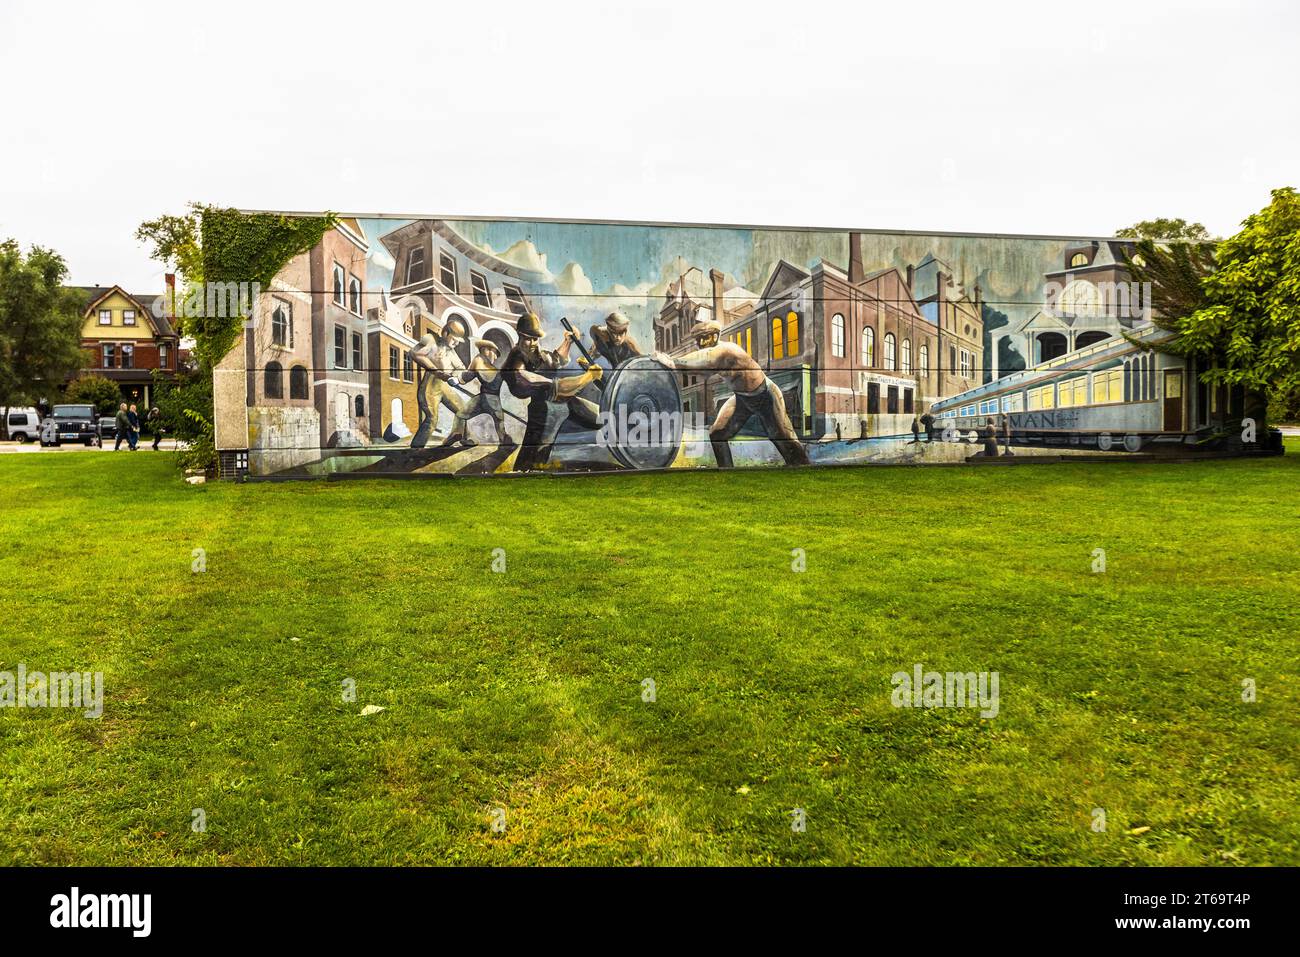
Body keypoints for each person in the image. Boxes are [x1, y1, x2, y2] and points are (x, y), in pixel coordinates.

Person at [655, 319, 809, 468]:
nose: (700, 343)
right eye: (698, 339)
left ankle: (803, 466)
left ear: (715, 337)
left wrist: (672, 361)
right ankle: (726, 470)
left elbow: (707, 358)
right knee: (717, 434)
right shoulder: (713, 353)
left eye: (704, 338)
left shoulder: (726, 349)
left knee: (782, 436)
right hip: (742, 398)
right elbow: (701, 367)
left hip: (765, 394)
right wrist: (674, 364)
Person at [502, 312, 605, 471]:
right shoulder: (517, 358)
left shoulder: (537, 354)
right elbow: (556, 387)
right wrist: (588, 377)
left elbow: (555, 360)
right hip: (544, 410)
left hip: (564, 403)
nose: (532, 343)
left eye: (535, 338)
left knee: (602, 419)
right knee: (533, 458)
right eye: (528, 338)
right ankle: (523, 476)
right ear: (520, 337)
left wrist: (567, 342)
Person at [409, 317, 469, 448]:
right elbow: (414, 353)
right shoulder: (431, 340)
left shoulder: (452, 352)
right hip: (429, 388)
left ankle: (459, 436)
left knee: (463, 410)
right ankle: (415, 449)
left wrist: (455, 377)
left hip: (443, 386)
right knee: (432, 419)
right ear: (445, 333)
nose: (456, 344)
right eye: (454, 339)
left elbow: (461, 368)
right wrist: (437, 370)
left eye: (459, 341)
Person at [446, 339, 512, 448]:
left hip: (484, 399)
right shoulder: (480, 359)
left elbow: (469, 375)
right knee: (498, 422)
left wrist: (457, 380)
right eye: (495, 353)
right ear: (487, 350)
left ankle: (457, 433)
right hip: (493, 400)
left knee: (461, 415)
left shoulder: (482, 362)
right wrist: (458, 379)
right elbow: (469, 374)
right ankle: (503, 439)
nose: (495, 357)